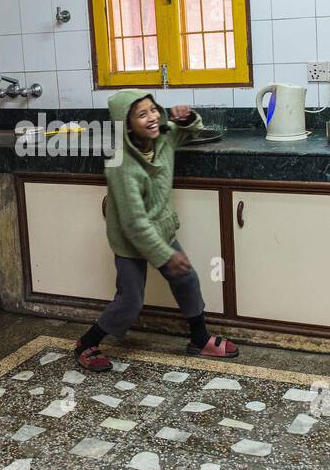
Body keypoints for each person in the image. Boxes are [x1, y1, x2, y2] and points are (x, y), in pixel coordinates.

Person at [73, 89, 237, 373]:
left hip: (161, 229)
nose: (151, 117)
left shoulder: (163, 137)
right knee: (130, 302)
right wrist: (166, 256)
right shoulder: (120, 165)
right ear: (126, 125)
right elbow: (134, 224)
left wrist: (186, 118)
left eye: (153, 110)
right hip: (130, 240)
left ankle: (199, 339)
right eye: (141, 114)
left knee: (187, 280)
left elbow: (193, 129)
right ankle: (86, 343)